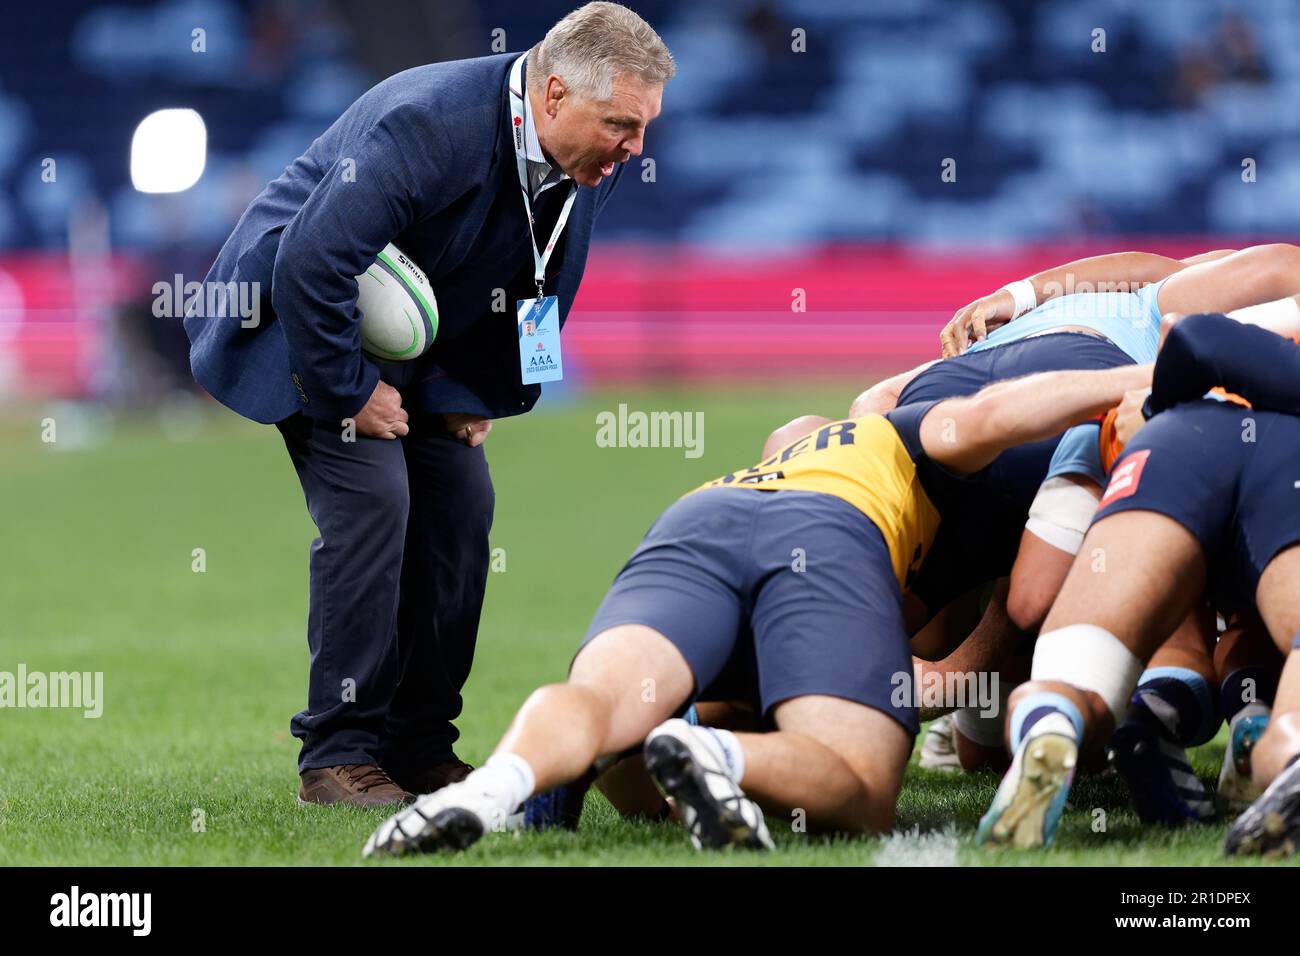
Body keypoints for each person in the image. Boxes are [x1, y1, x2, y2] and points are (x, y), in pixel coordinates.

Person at [182, 3, 673, 806]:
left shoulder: (585, 155)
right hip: (302, 320)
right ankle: (337, 758)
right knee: (375, 503)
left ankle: (418, 747)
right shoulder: (429, 123)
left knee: (461, 508)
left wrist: (488, 389)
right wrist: (349, 390)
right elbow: (310, 262)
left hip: (420, 339)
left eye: (644, 126)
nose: (636, 148)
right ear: (553, 95)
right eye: (622, 124)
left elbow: (542, 278)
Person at [360, 362, 1152, 856]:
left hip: (693, 519)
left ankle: (498, 784)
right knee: (859, 785)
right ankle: (714, 758)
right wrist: (1131, 379)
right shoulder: (893, 442)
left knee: (613, 715)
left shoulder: (788, 449)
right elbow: (991, 416)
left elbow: (792, 430)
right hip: (826, 530)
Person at [977, 314, 1300, 852]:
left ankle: (1053, 725)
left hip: (1172, 450)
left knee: (1087, 671)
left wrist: (1155, 411)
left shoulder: (1151, 392)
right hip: (1287, 473)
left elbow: (1195, 336)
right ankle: (1284, 749)